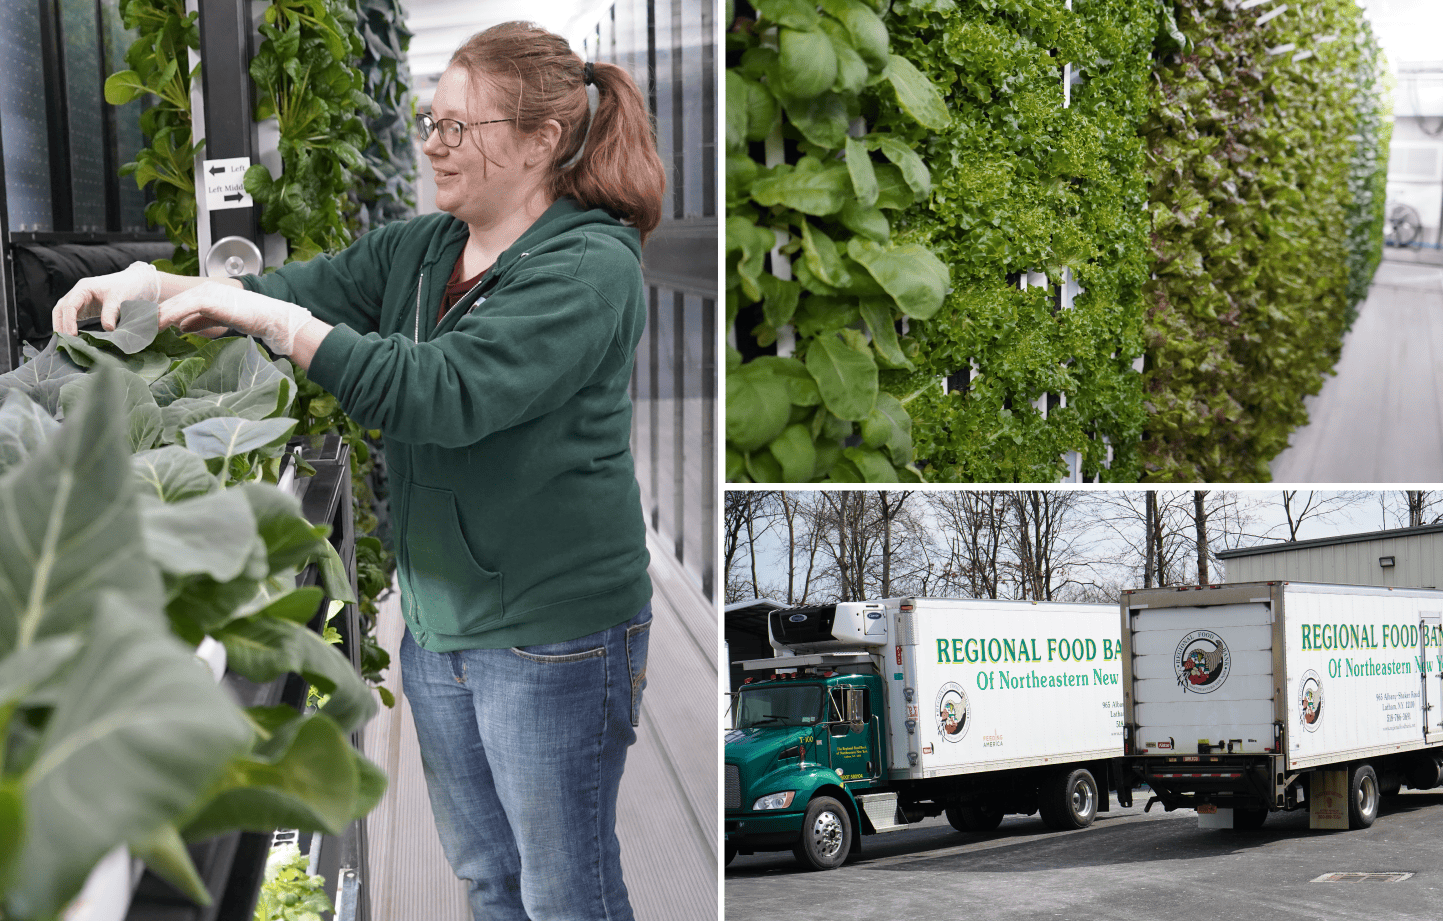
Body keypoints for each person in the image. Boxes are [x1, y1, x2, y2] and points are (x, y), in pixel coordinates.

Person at [54, 21, 667, 921]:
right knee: (489, 877)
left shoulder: (589, 267)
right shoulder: (423, 249)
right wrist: (152, 285)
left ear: (542, 141)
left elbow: (437, 393)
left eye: (461, 126)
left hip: (554, 634)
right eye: (431, 119)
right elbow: (286, 296)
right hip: (442, 620)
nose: (432, 144)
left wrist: (255, 314)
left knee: (564, 889)